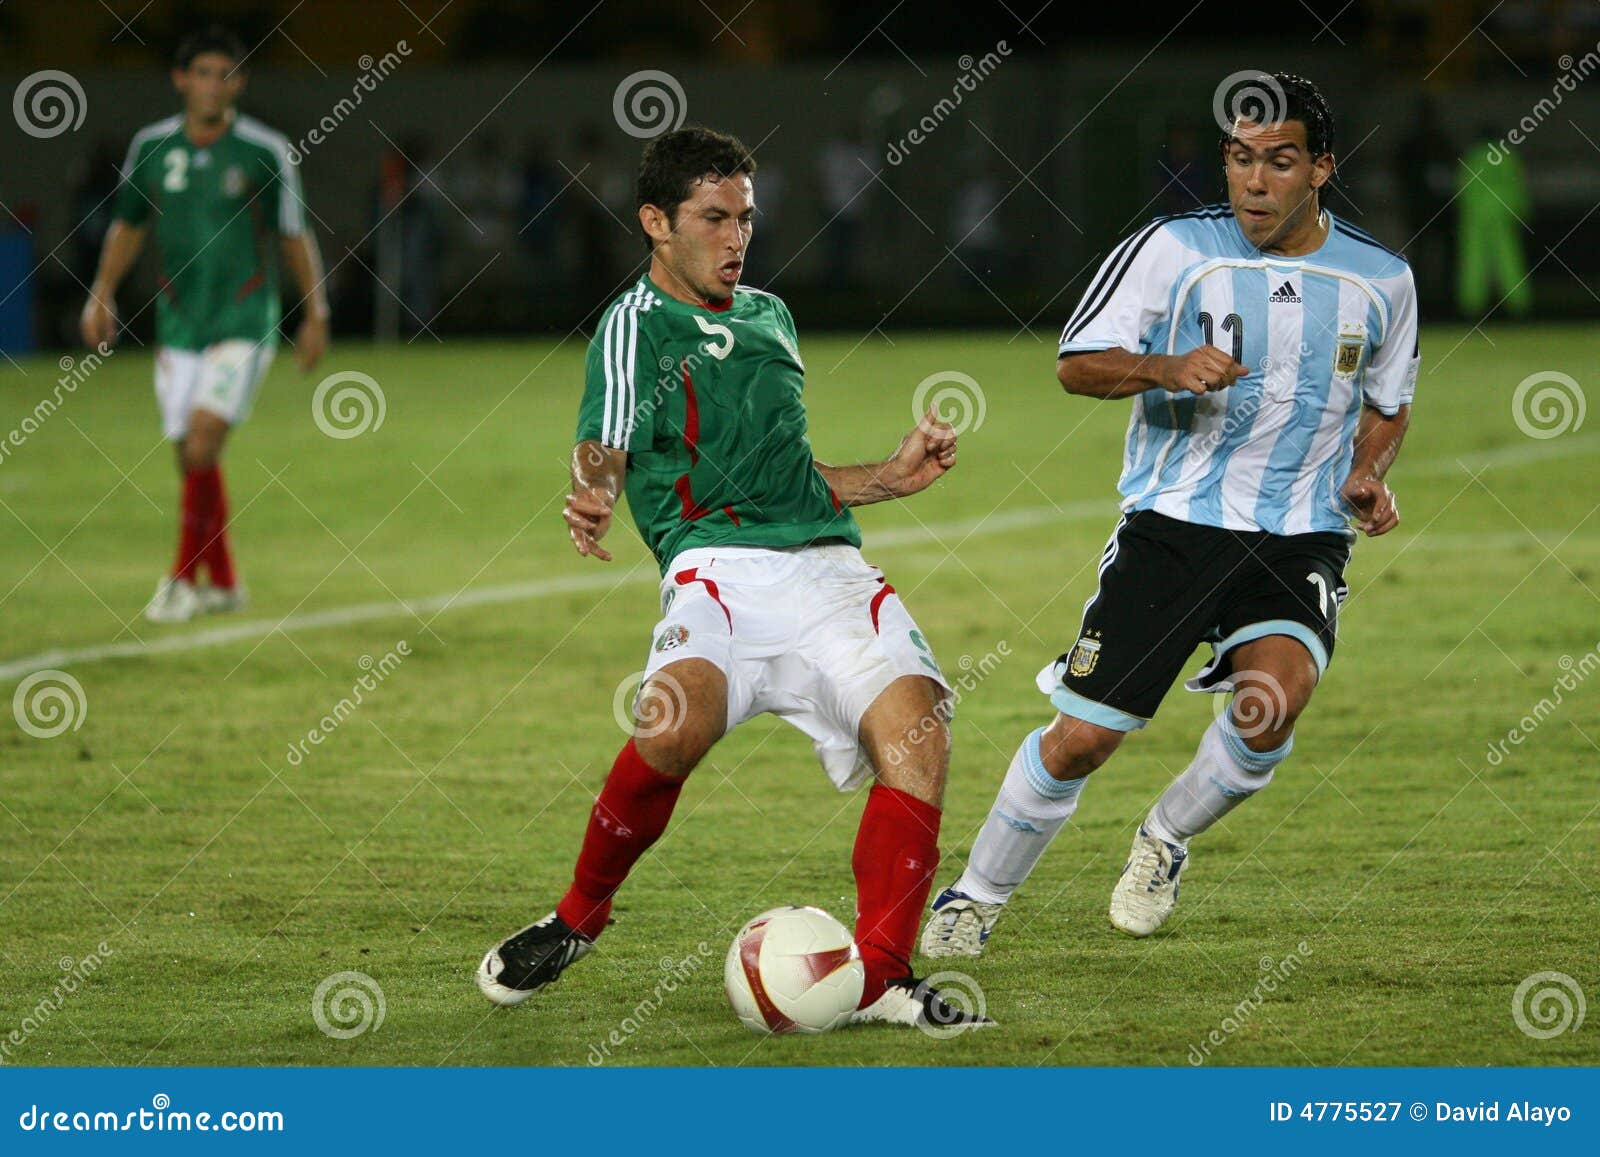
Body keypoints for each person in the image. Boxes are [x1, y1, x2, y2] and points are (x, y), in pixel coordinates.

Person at [477, 125, 987, 1031]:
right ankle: (577, 917)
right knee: (672, 723)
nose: (736, 238)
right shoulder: (637, 324)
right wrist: (592, 494)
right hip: (715, 573)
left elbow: (788, 473)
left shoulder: (771, 317)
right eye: (713, 218)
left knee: (921, 735)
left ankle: (881, 978)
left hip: (828, 566)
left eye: (745, 217)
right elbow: (607, 437)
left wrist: (889, 477)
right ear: (655, 225)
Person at [923, 74, 1418, 954]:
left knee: (1272, 704)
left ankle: (1164, 838)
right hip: (1174, 527)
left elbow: (1388, 403)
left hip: (1300, 530)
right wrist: (1164, 368)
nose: (1254, 183)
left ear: (1321, 169)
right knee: (1079, 741)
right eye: (1238, 161)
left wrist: (1367, 473)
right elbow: (1077, 363)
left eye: (1278, 162)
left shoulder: (1382, 279)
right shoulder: (1172, 249)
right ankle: (974, 895)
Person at [81, 24, 330, 623]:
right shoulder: (152, 148)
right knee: (191, 457)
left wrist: (315, 310)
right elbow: (130, 225)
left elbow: (293, 234)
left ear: (239, 82)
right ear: (180, 80)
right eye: (201, 73)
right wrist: (102, 292)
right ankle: (225, 581)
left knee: (200, 442)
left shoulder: (265, 152)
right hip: (179, 321)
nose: (213, 85)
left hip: (244, 318)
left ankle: (181, 581)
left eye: (225, 73)